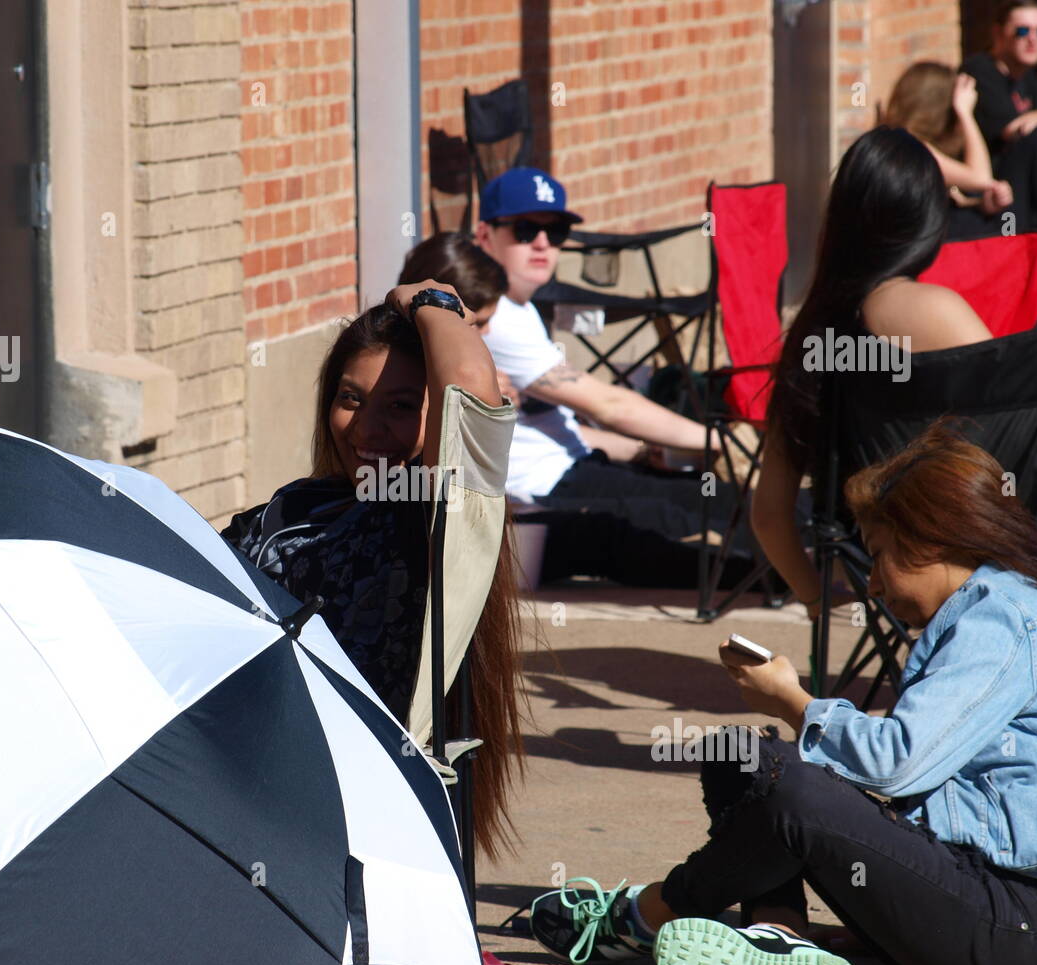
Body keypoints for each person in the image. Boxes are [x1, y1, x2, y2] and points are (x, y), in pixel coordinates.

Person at [529, 420, 1037, 965]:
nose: (873, 585)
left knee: (791, 782)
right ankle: (779, 938)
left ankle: (650, 913)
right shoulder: (989, 611)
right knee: (741, 757)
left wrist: (794, 702)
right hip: (976, 898)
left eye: (879, 556)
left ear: (934, 540)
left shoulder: (1003, 617)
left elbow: (897, 765)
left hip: (1019, 926)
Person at [222, 281, 524, 859]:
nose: (366, 431)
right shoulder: (297, 506)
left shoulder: (432, 514)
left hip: (360, 809)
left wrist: (427, 301)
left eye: (401, 407)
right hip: (253, 778)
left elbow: (471, 389)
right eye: (351, 399)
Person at [473, 166, 761, 589]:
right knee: (687, 516)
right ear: (485, 235)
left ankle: (832, 541)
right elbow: (609, 406)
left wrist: (644, 450)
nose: (541, 244)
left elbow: (556, 431)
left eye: (554, 234)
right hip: (547, 492)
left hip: (573, 468)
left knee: (714, 499)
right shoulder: (495, 318)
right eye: (524, 229)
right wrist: (718, 439)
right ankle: (795, 570)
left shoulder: (521, 307)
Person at [751, 126, 991, 620]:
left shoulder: (811, 336)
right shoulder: (935, 311)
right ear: (928, 217)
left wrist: (818, 601)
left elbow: (770, 514)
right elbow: (1019, 423)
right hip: (967, 547)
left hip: (867, 550)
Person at [961, 0, 1037, 278]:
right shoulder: (979, 70)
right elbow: (1019, 129)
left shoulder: (1027, 79)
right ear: (998, 34)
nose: (1033, 40)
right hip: (992, 198)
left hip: (1021, 197)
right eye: (1022, 31)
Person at [882, 61, 1015, 237]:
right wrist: (965, 113)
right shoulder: (910, 147)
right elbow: (981, 178)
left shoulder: (899, 140)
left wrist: (981, 205)